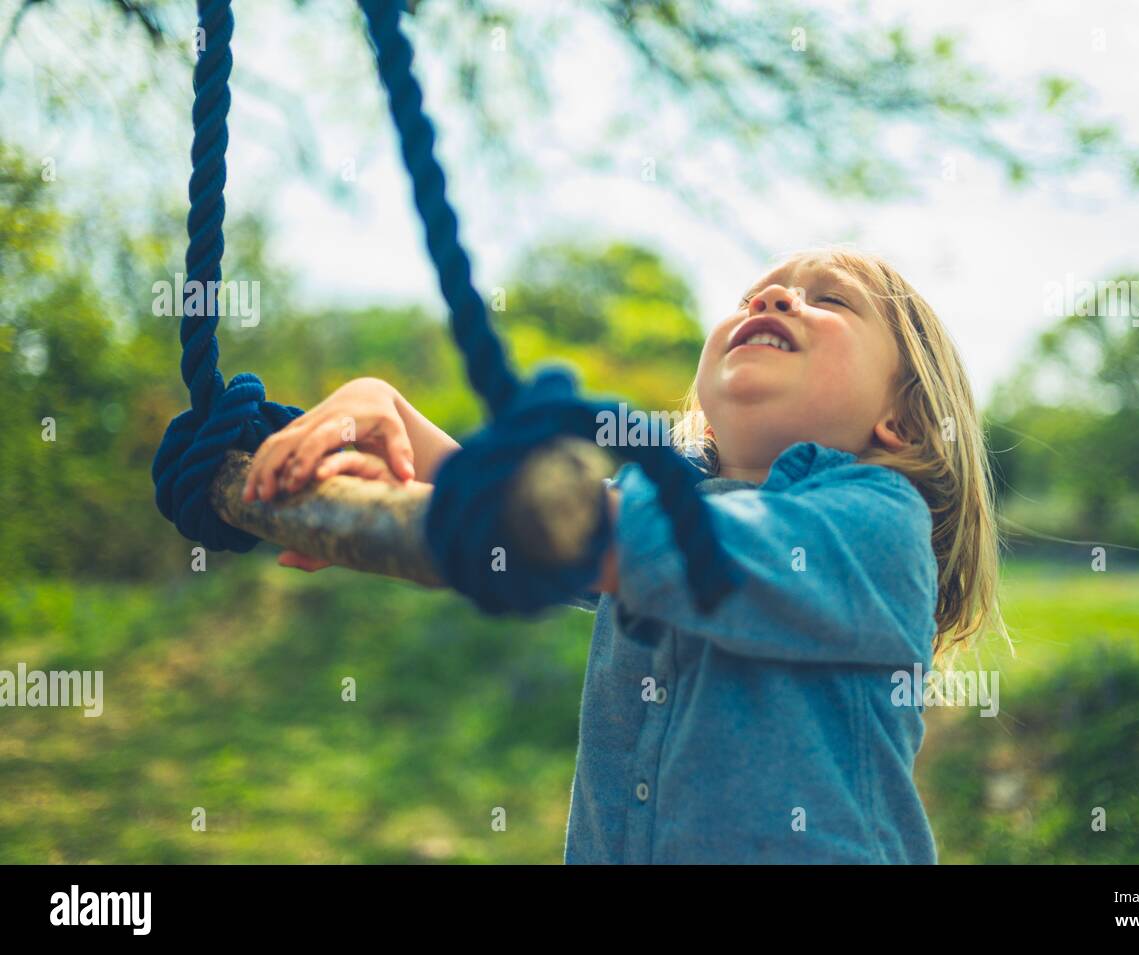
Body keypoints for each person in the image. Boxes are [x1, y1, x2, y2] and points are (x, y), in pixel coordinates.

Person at [242, 245, 1007, 863]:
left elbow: (617, 537)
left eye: (829, 299)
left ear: (903, 421)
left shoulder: (877, 526)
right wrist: (392, 418)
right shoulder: (673, 505)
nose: (771, 300)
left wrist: (458, 507)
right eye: (757, 294)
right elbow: (555, 531)